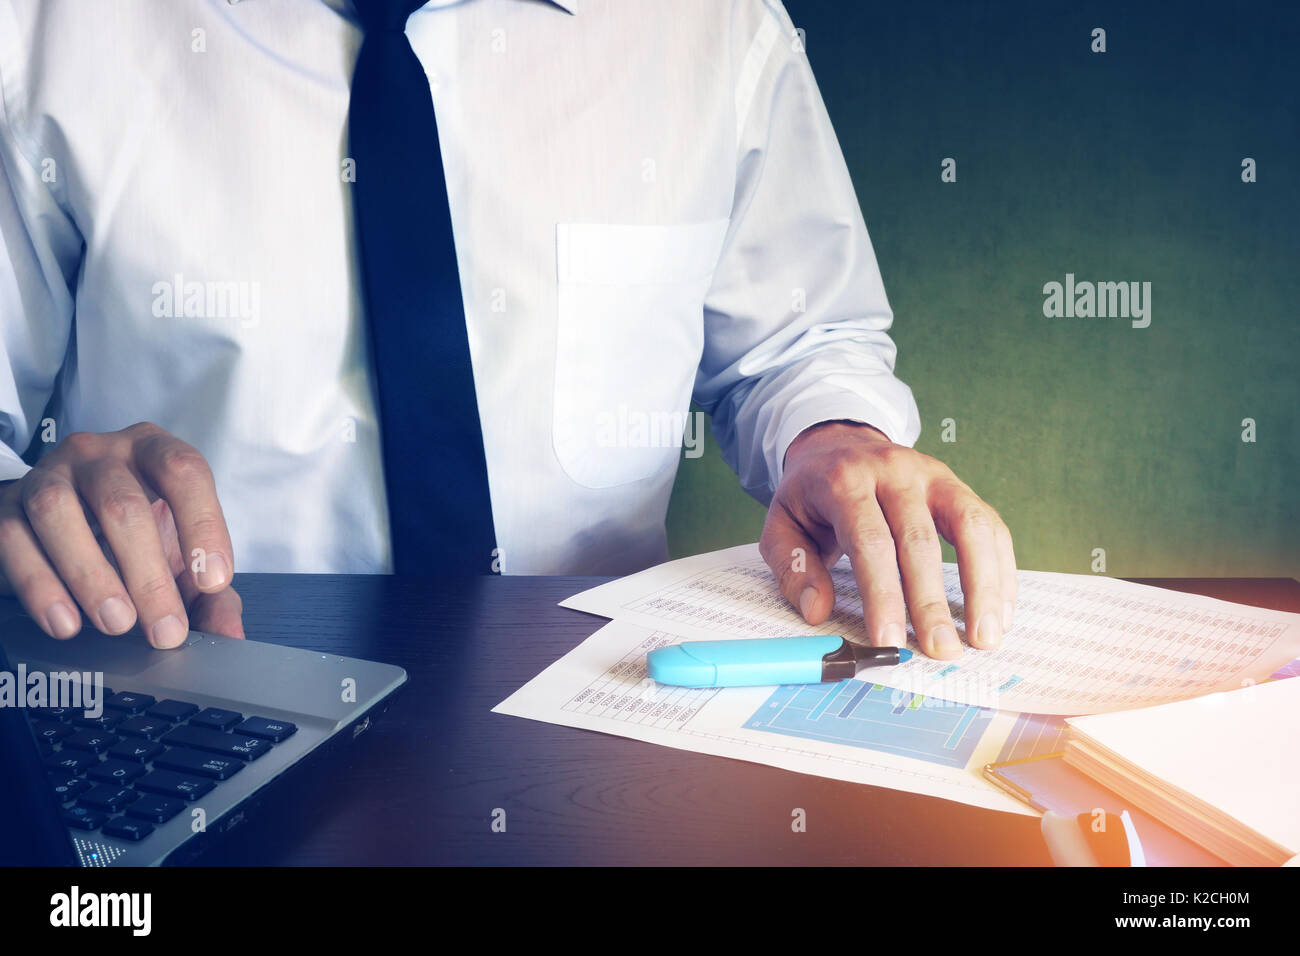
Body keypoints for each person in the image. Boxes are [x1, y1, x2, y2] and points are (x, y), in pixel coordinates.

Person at [0, 0, 1015, 659]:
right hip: (184, 707)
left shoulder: (707, 26)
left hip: (597, 727)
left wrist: (831, 438)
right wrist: (29, 496)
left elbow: (797, 346)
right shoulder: (47, 32)